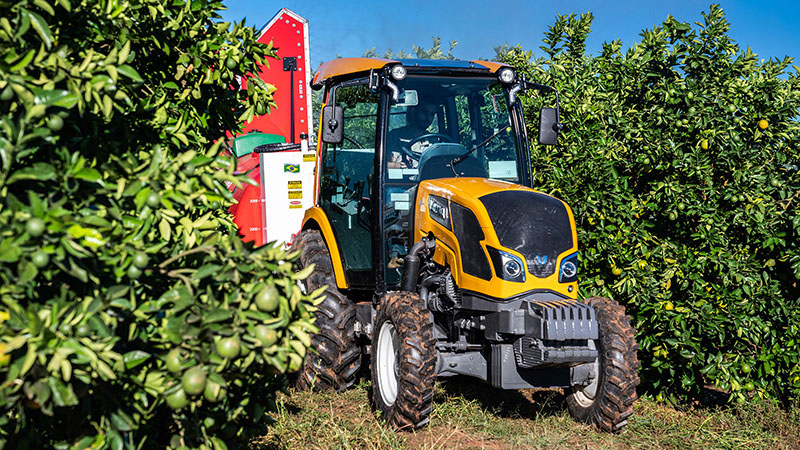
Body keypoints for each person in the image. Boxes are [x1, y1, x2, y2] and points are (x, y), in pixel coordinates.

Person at [387, 103, 439, 169]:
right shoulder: (394, 136)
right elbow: (379, 167)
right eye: (424, 112)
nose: (428, 117)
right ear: (413, 112)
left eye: (432, 114)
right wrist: (397, 166)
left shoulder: (433, 140)